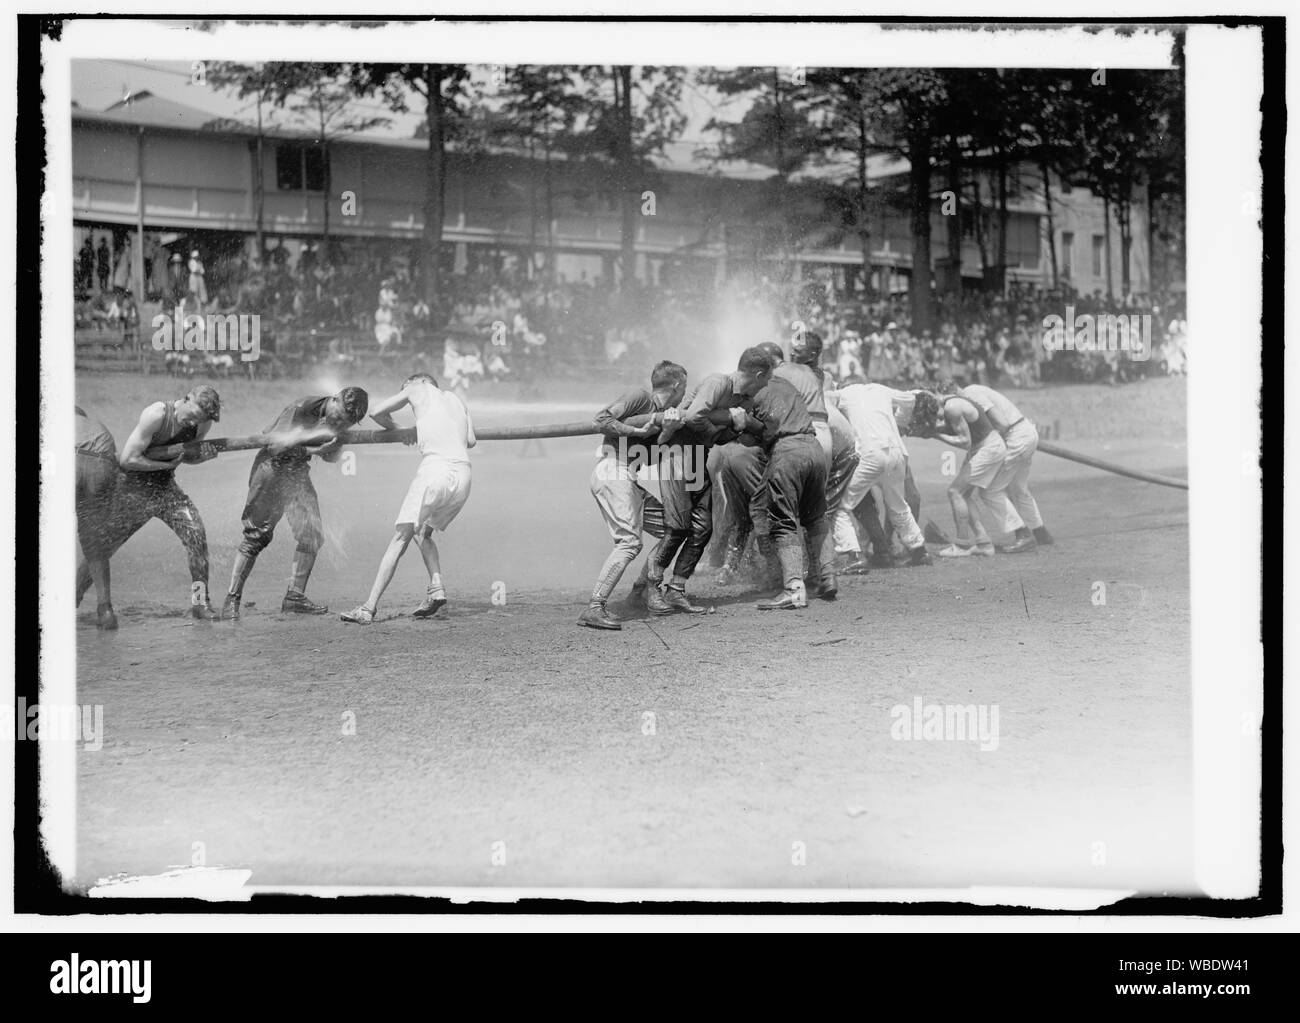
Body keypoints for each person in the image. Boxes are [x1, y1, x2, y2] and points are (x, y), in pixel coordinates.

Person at [74, 387, 223, 619]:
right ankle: (72, 596)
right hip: (132, 490)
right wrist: (165, 466)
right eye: (191, 415)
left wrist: (202, 456)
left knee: (196, 536)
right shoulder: (156, 414)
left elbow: (186, 456)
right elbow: (128, 459)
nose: (192, 422)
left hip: (165, 490)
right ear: (185, 399)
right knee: (101, 548)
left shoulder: (203, 423)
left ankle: (200, 603)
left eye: (199, 419)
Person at [222, 387, 370, 619]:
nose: (338, 423)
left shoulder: (338, 421)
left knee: (312, 535)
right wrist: (316, 448)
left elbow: (330, 457)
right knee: (256, 536)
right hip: (271, 467)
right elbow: (275, 446)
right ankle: (232, 598)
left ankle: (294, 597)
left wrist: (334, 445)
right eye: (338, 417)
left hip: (297, 472)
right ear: (334, 400)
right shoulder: (302, 408)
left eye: (346, 423)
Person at [341, 375, 474, 625]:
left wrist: (400, 431)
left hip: (436, 469)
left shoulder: (416, 387)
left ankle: (368, 608)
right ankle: (436, 588)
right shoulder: (457, 399)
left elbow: (376, 413)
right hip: (464, 475)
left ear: (418, 382)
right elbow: (471, 441)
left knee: (400, 538)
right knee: (423, 532)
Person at [651, 347, 774, 614]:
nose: (765, 386)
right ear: (758, 374)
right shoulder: (719, 382)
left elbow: (718, 439)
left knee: (702, 529)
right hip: (678, 453)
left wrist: (738, 427)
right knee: (677, 528)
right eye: (765, 380)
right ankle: (648, 586)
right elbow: (695, 417)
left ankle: (676, 590)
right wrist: (729, 418)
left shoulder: (746, 402)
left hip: (697, 457)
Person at [577, 361, 688, 630]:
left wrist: (668, 430)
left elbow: (651, 455)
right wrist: (637, 430)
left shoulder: (663, 413)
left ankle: (641, 590)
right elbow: (601, 419)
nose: (685, 393)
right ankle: (595, 607)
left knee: (670, 529)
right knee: (629, 542)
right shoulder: (640, 397)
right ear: (676, 385)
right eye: (684, 386)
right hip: (612, 472)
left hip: (627, 477)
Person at [829, 383, 932, 573]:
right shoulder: (880, 389)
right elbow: (910, 399)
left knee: (839, 506)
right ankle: (919, 550)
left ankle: (853, 556)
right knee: (898, 505)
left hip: (870, 453)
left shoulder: (843, 394)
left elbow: (824, 403)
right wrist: (900, 421)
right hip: (897, 452)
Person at [959, 384, 1051, 550]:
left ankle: (1023, 535)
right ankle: (1041, 533)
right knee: (1018, 488)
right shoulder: (973, 391)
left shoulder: (969, 394)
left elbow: (1002, 423)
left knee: (989, 491)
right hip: (1025, 433)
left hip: (1015, 437)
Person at [74, 407, 119, 629]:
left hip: (71, 459)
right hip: (104, 462)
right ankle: (106, 610)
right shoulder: (97, 426)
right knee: (94, 542)